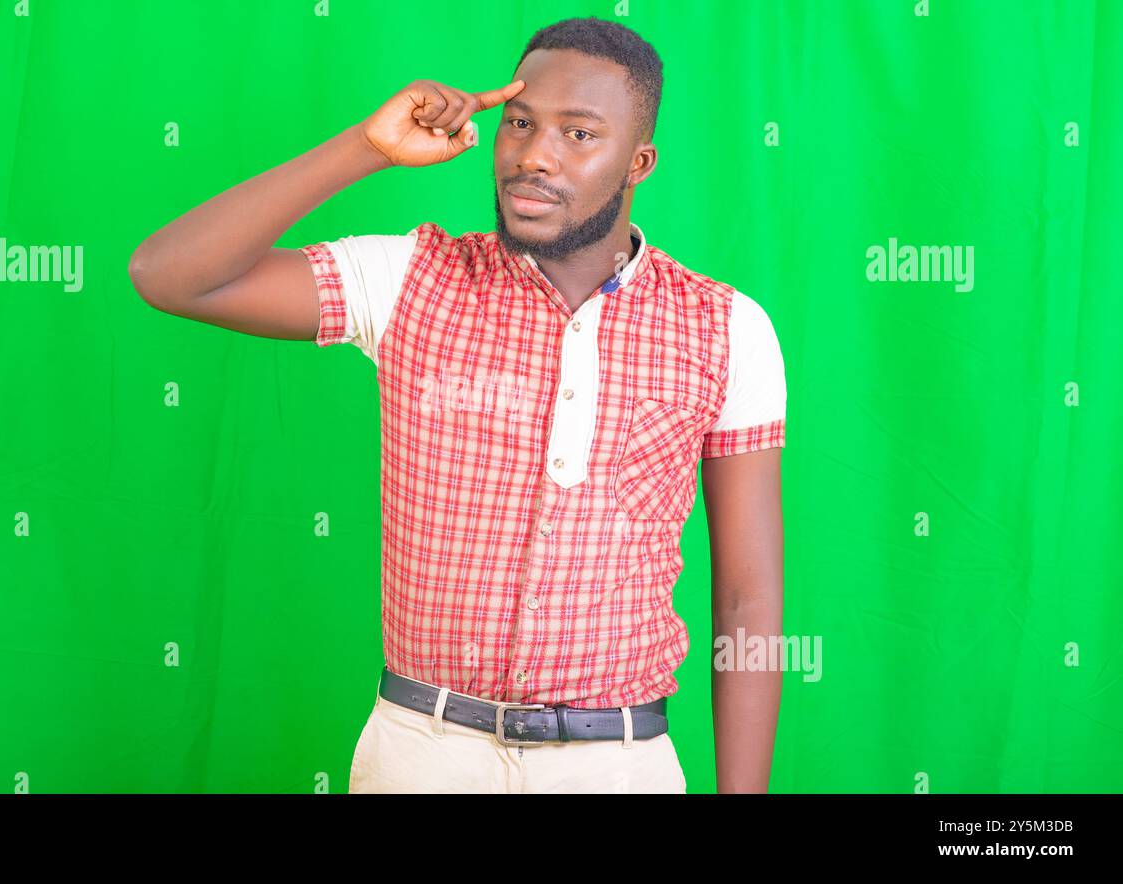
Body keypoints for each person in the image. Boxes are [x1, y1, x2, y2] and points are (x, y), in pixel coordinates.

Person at [128, 16, 786, 794]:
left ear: (638, 162)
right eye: (519, 123)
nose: (534, 157)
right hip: (421, 752)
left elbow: (748, 597)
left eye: (579, 134)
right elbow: (169, 275)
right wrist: (367, 148)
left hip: (620, 762)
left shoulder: (727, 327)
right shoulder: (413, 278)